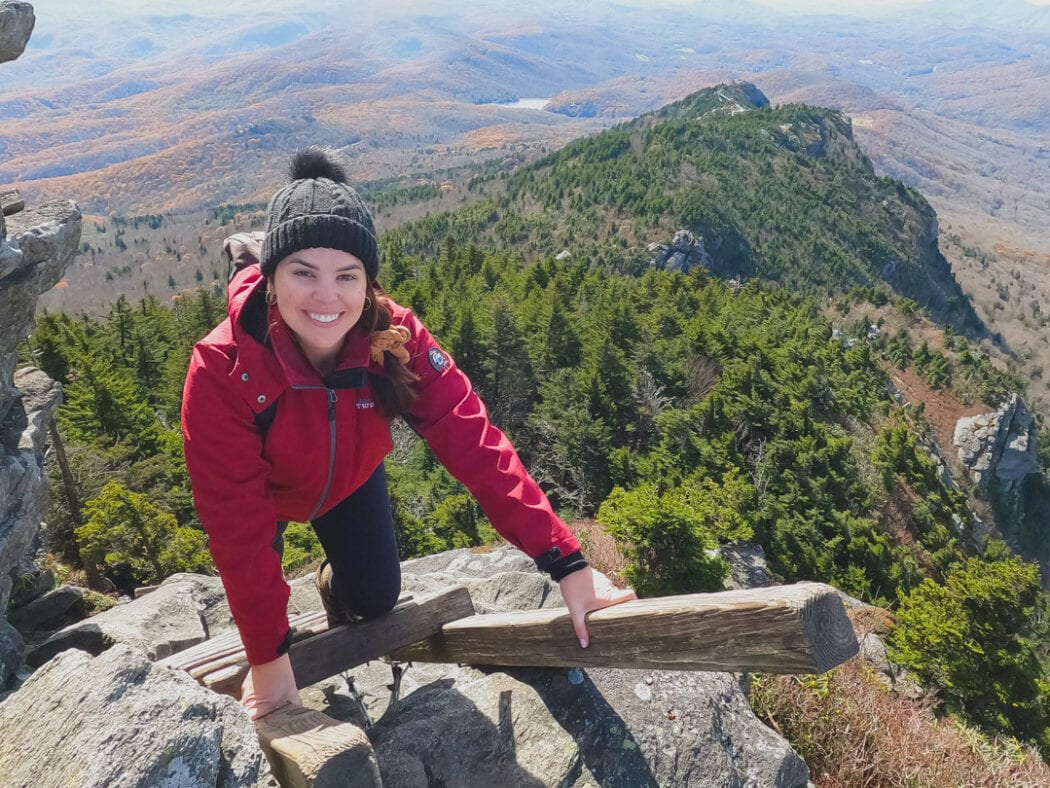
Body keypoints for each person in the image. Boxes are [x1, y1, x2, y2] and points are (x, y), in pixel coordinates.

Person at [181, 146, 636, 720]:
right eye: (303, 272)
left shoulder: (395, 337)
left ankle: (276, 252)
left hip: (346, 476)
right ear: (274, 279)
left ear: (368, 282)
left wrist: (568, 563)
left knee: (375, 600)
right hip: (267, 493)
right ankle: (248, 257)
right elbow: (236, 527)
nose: (327, 297)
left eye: (347, 275)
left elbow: (475, 444)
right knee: (260, 590)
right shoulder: (225, 369)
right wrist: (269, 660)